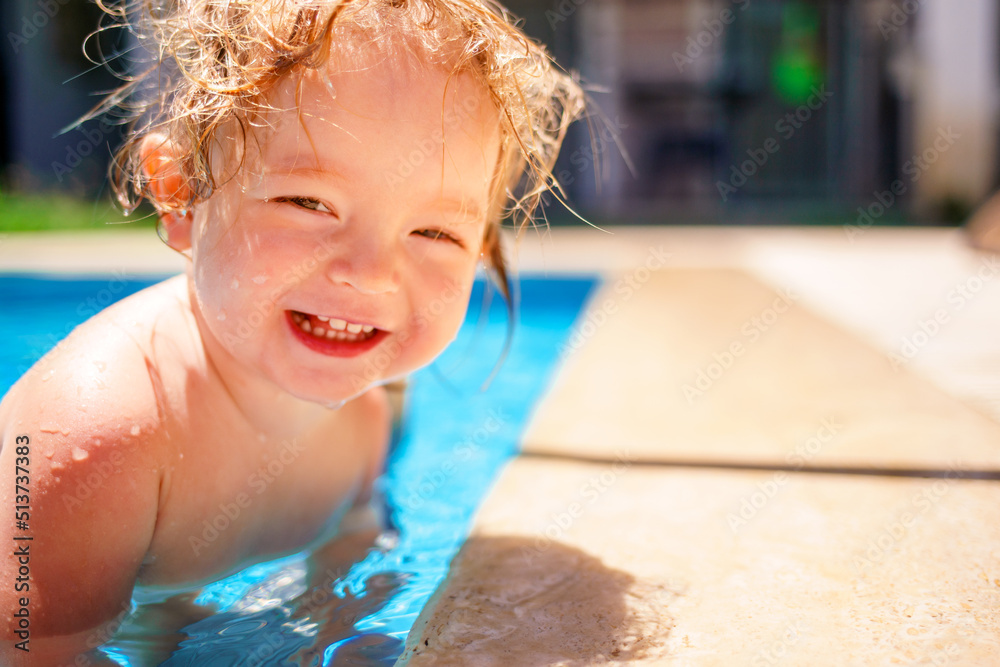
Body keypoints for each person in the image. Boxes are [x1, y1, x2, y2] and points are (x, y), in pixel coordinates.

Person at [0, 0, 585, 662]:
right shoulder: (95, 433)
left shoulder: (376, 401)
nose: (370, 275)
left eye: (434, 231)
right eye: (309, 202)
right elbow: (28, 647)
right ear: (182, 192)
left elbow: (355, 553)